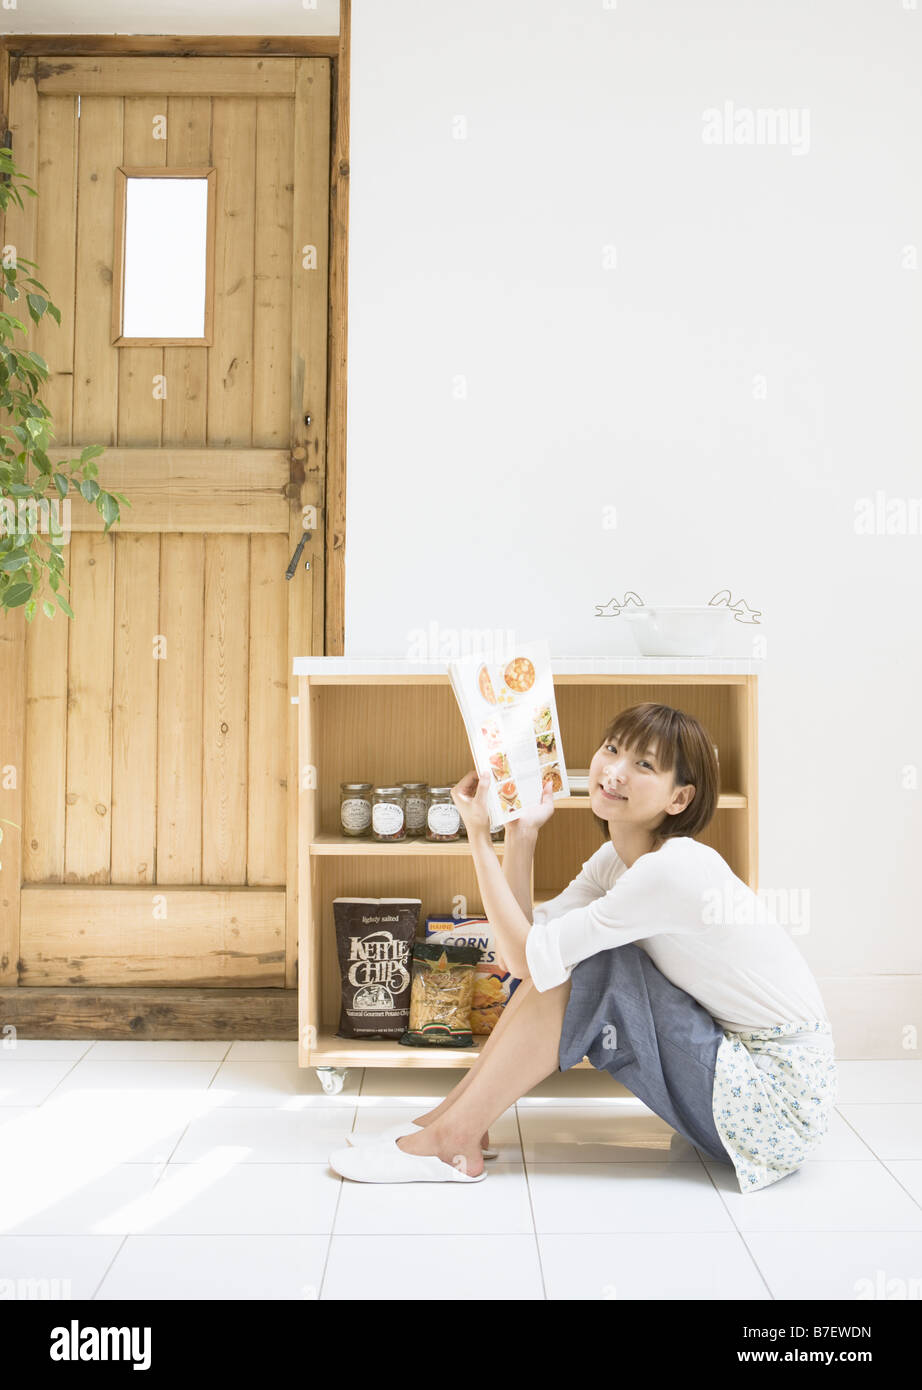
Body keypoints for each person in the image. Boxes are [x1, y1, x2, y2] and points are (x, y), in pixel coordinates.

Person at [328, 701, 837, 1189]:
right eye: (612, 749)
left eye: (643, 764)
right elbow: (519, 951)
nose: (614, 771)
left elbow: (530, 961)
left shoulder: (673, 869)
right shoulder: (613, 861)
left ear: (678, 799)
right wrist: (522, 835)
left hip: (775, 1102)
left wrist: (480, 838)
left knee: (593, 964)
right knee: (565, 956)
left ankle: (450, 1139)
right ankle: (452, 1122)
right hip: (734, 1074)